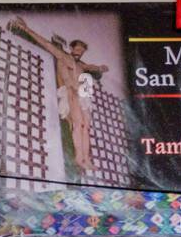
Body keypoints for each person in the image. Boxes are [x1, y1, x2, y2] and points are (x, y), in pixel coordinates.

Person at [7, 16, 109, 176]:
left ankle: (86, 158)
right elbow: (46, 44)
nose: (79, 52)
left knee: (85, 126)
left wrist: (101, 68)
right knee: (77, 124)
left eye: (82, 50)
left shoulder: (82, 65)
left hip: (82, 95)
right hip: (70, 91)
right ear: (71, 48)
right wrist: (26, 29)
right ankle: (79, 157)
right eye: (77, 49)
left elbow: (92, 67)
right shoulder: (63, 56)